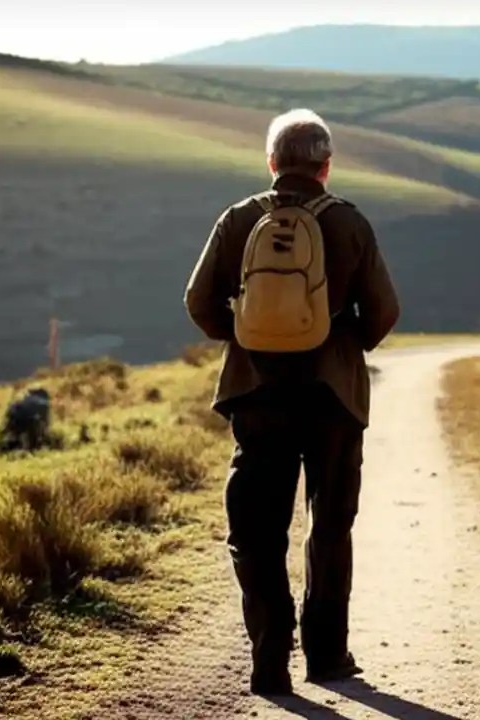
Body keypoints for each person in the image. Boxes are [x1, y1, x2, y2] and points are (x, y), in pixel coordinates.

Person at [184, 109, 400, 695]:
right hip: (332, 399)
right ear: (326, 167)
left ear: (272, 163)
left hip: (257, 396)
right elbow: (383, 311)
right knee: (329, 526)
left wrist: (250, 336)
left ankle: (269, 661)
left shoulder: (238, 221)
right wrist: (343, 345)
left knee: (256, 530)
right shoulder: (350, 224)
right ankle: (327, 658)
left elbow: (199, 302)